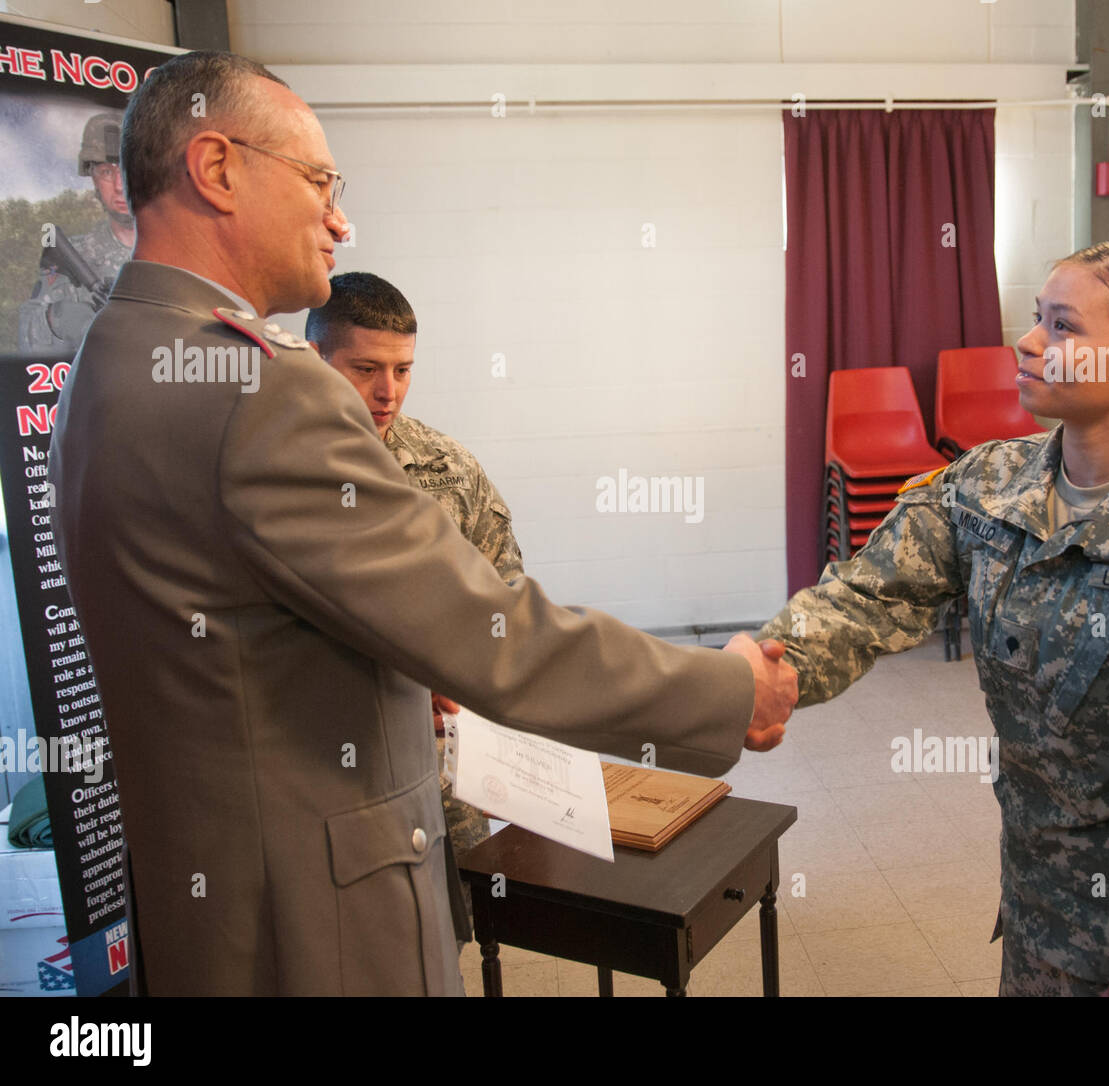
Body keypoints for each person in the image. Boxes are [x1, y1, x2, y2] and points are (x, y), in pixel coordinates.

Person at [48, 50, 796, 997]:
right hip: (319, 926)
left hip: (207, 907)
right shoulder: (262, 391)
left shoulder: (107, 360)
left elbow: (242, 645)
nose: (339, 219)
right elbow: (500, 635)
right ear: (216, 168)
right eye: (319, 181)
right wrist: (724, 690)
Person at [752, 240, 1109, 996]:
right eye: (1038, 318)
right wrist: (765, 667)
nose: (1029, 341)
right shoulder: (987, 486)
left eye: (1065, 327)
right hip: (1038, 916)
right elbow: (869, 596)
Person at [306, 270, 518, 923]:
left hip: (445, 771)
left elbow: (503, 592)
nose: (387, 391)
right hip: (334, 773)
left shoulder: (445, 466)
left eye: (403, 370)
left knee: (458, 920)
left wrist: (464, 673)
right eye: (365, 368)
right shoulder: (280, 470)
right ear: (315, 360)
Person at [18, 112, 135, 354]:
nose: (119, 185)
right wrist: (57, 319)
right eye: (106, 172)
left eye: (126, 169)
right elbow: (28, 343)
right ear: (93, 179)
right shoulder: (73, 256)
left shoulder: (179, 252)